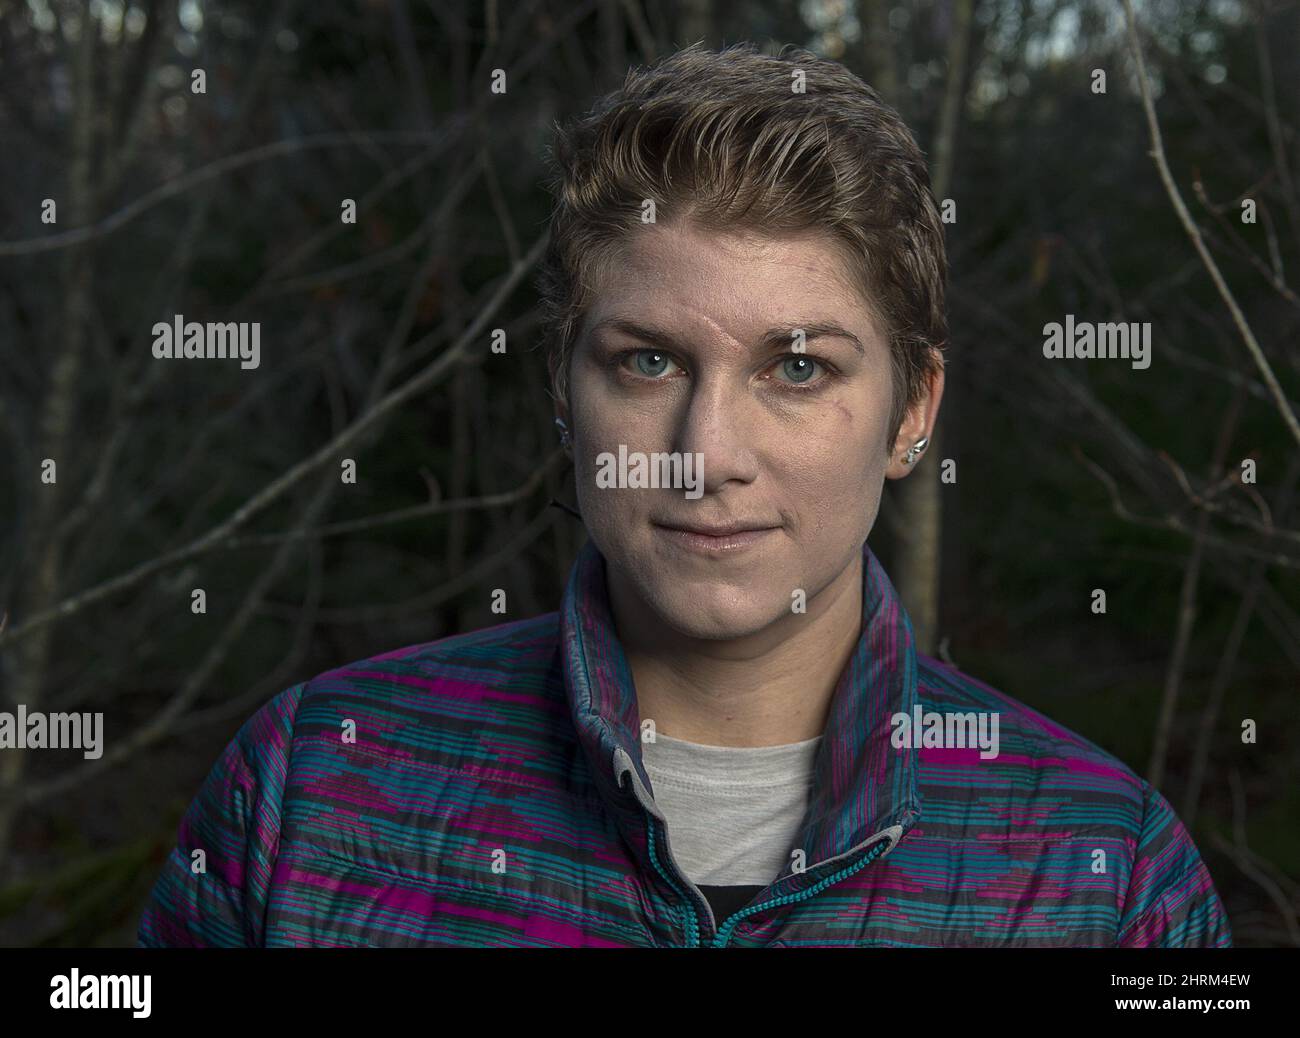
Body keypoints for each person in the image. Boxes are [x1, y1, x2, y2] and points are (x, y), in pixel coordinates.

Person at [137, 42, 1231, 948]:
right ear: (562, 391)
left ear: (911, 413)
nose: (706, 455)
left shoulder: (1104, 877)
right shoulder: (315, 793)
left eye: (797, 368)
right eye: (647, 362)